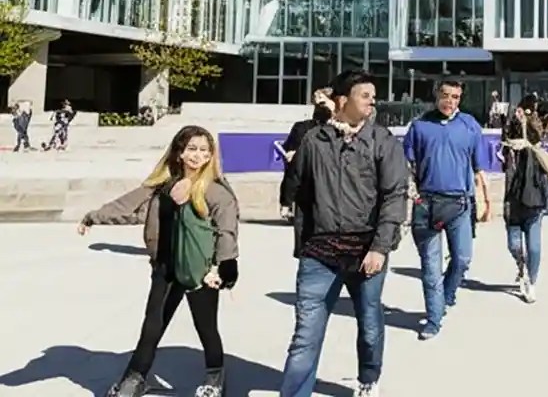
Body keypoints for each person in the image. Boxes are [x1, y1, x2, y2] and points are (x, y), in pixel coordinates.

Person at [79, 125, 240, 397]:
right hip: (165, 267)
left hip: (199, 270)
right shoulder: (162, 185)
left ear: (211, 155)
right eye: (191, 149)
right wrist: (94, 216)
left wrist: (226, 264)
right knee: (153, 324)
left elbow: (227, 229)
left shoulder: (215, 190)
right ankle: (135, 378)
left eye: (203, 150)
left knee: (206, 327)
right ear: (178, 152)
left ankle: (215, 377)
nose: (197, 155)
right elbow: (128, 205)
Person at [279, 70, 408, 397]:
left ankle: (368, 378)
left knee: (369, 326)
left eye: (373, 96)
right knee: (305, 334)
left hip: (366, 252)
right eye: (365, 95)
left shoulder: (382, 140)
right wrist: (304, 242)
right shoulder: (314, 140)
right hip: (319, 254)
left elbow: (394, 194)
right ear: (342, 100)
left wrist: (380, 247)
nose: (372, 101)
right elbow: (300, 191)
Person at [403, 79, 492, 340]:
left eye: (455, 96)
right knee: (430, 267)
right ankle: (433, 318)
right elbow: (407, 165)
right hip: (427, 204)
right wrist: (412, 194)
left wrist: (488, 203)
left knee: (462, 258)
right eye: (446, 95)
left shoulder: (470, 126)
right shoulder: (419, 126)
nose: (450, 101)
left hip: (460, 204)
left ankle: (448, 294)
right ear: (436, 95)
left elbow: (480, 169)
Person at [501, 95, 548, 303]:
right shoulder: (512, 125)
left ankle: (531, 282)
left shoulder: (539, 130)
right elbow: (503, 138)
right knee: (514, 245)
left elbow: (543, 133)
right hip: (514, 197)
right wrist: (513, 122)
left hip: (535, 196)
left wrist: (529, 124)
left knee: (534, 246)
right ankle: (521, 267)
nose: (528, 111)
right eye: (527, 107)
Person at [278, 88, 334, 219]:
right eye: (316, 99)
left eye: (322, 100)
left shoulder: (343, 129)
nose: (318, 102)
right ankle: (287, 204)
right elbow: (290, 157)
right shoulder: (302, 127)